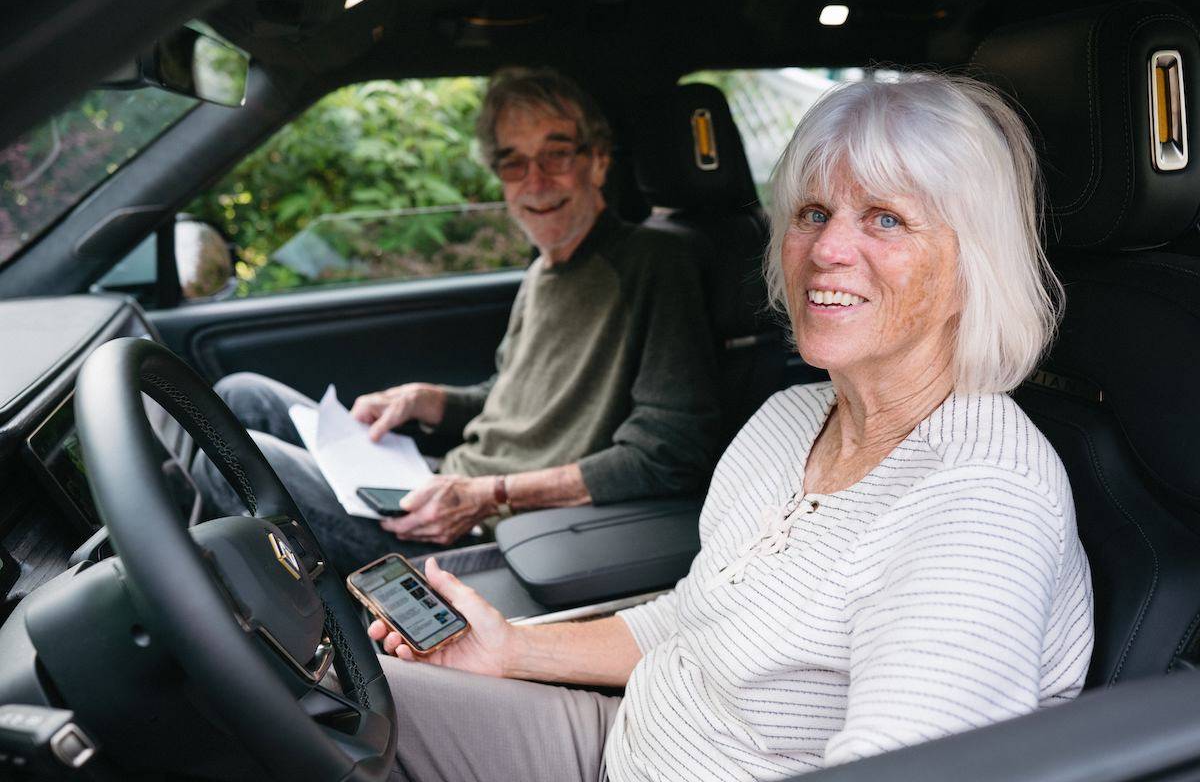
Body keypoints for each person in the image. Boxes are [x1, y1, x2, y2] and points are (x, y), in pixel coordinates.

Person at [367, 74, 1095, 781]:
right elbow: (696, 620)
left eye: (885, 218)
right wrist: (510, 651)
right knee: (345, 696)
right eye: (813, 213)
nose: (828, 251)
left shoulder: (981, 506)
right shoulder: (788, 420)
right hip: (628, 738)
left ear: (974, 263)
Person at [193, 67, 721, 574]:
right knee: (241, 397)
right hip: (445, 486)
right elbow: (515, 397)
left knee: (226, 455)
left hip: (488, 533)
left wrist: (487, 495)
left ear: (599, 161)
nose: (535, 181)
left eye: (556, 154)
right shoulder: (547, 267)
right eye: (513, 163)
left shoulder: (654, 261)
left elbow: (670, 451)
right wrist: (428, 400)